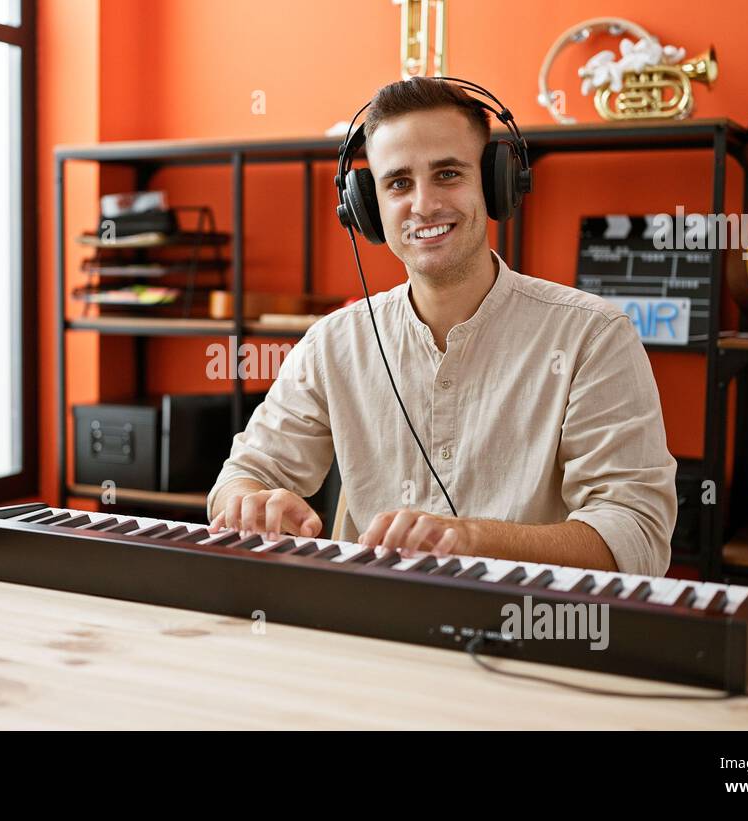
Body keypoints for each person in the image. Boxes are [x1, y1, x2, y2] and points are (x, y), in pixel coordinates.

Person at [205, 77, 677, 575]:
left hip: (529, 636)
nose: (424, 205)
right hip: (371, 633)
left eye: (448, 174)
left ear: (494, 183)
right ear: (368, 206)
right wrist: (249, 503)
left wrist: (470, 538)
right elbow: (242, 476)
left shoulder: (592, 336)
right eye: (399, 183)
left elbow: (636, 536)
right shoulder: (333, 343)